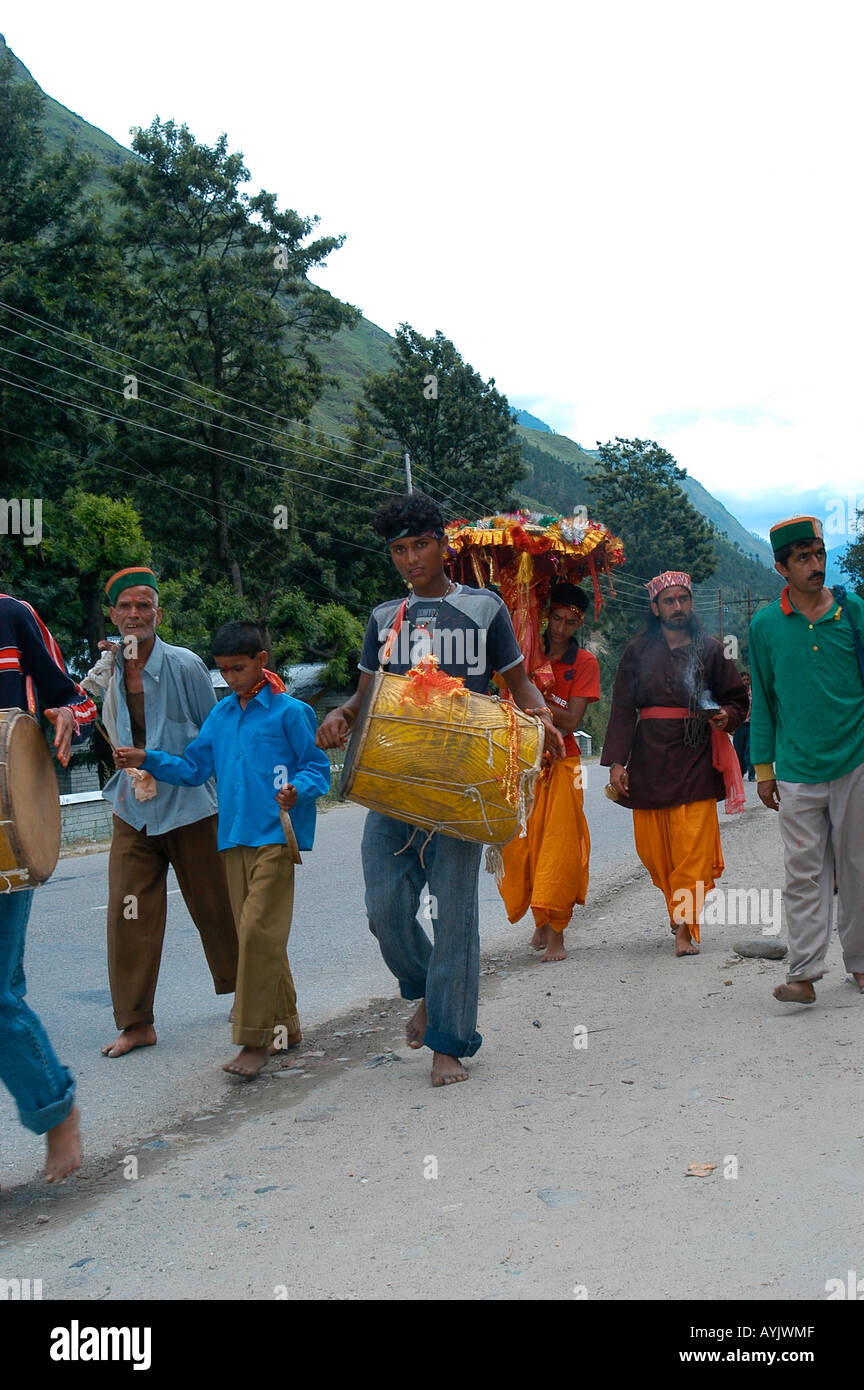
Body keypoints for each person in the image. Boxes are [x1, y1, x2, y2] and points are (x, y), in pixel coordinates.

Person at [316, 492, 564, 1087]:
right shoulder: (384, 618)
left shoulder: (483, 609)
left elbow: (517, 683)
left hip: (463, 785)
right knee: (384, 910)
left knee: (455, 917)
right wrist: (343, 717)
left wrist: (542, 722)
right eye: (398, 550)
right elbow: (366, 694)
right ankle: (428, 989)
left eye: (419, 545)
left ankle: (448, 1043)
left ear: (442, 543)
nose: (409, 559)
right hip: (392, 783)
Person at [115, 620, 330, 1076]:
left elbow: (318, 768)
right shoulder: (222, 715)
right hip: (231, 838)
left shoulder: (290, 712)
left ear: (261, 662)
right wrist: (147, 758)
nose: (231, 678)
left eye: (238, 668)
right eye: (224, 671)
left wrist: (298, 789)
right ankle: (286, 1025)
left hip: (276, 835)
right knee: (261, 934)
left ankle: (254, 1042)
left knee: (254, 934)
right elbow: (194, 769)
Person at [93, 569, 239, 1059]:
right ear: (112, 614)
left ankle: (248, 996)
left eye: (144, 606)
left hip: (192, 807)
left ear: (158, 613)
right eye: (126, 607)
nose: (135, 615)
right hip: (132, 808)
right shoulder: (107, 669)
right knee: (128, 910)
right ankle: (135, 1022)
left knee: (216, 904)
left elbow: (214, 734)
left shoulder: (186, 665)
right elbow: (83, 709)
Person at [0, 589, 96, 1181]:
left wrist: (65, 716)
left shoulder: (13, 616)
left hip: (5, 830)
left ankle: (55, 1112)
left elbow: (75, 702)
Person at [601, 571, 748, 955]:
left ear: (690, 603)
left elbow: (736, 698)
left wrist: (725, 717)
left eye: (683, 599)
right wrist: (617, 763)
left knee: (693, 849)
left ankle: (684, 926)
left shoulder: (711, 649)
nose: (678, 606)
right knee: (654, 851)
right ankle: (676, 905)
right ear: (655, 607)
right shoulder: (636, 651)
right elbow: (621, 709)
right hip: (648, 758)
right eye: (669, 601)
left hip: (696, 755)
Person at [749, 515, 864, 1004]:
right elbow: (763, 699)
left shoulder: (853, 611)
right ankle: (804, 973)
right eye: (803, 558)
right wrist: (764, 769)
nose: (816, 565)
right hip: (796, 771)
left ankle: (859, 965)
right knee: (803, 872)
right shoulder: (765, 626)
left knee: (857, 866)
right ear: (782, 568)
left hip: (856, 761)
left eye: (819, 554)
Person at [498, 582, 600, 962]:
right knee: (522, 847)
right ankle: (539, 916)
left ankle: (556, 932)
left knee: (558, 847)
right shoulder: (522, 654)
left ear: (579, 623)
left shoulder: (585, 663)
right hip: (523, 763)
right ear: (546, 616)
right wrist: (522, 685)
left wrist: (533, 700)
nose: (560, 628)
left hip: (564, 762)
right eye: (556, 618)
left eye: (570, 622)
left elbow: (572, 719)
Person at [732, 672, 755, 781]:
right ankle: (740, 772)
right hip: (739, 725)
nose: (746, 682)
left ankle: (751, 774)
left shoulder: (754, 693)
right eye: (743, 680)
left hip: (751, 725)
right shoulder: (735, 694)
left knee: (750, 750)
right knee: (739, 751)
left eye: (747, 679)